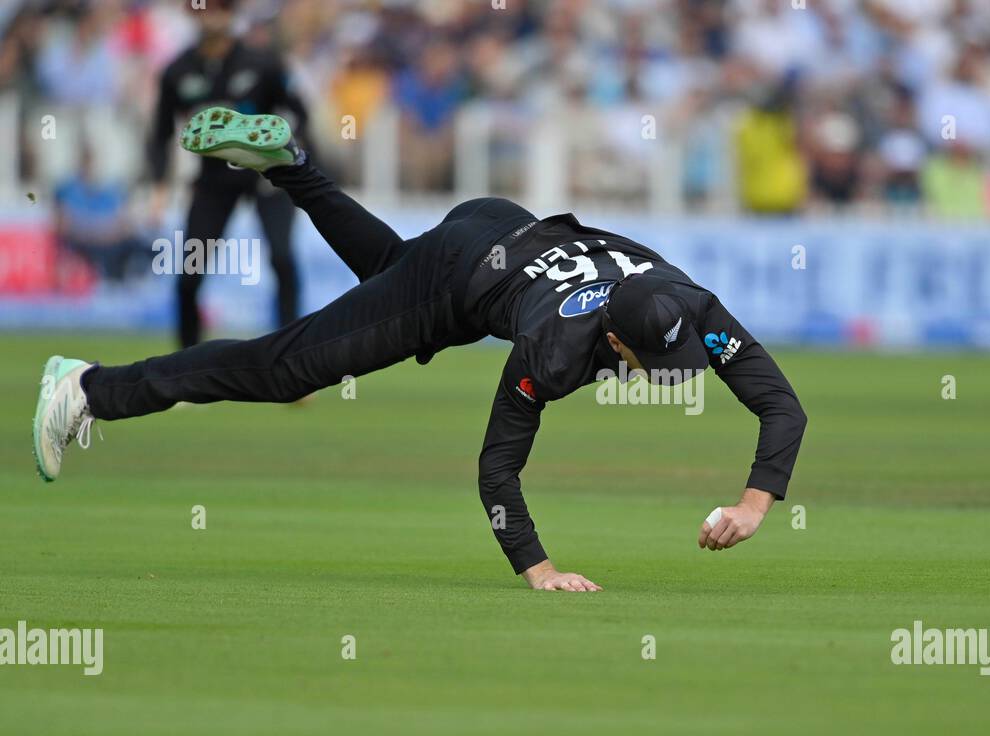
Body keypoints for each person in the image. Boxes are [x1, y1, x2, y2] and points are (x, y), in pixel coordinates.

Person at [34, 109, 808, 593]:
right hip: (455, 280)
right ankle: (89, 388)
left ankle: (289, 167)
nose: (671, 376)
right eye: (654, 365)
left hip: (497, 223)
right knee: (285, 368)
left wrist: (752, 504)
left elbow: (781, 404)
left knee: (386, 269)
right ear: (612, 339)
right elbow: (496, 468)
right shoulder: (556, 346)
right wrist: (539, 570)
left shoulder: (691, 305)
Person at [147, 0, 308, 347]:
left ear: (232, 13)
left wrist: (292, 159)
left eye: (221, 7)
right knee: (190, 273)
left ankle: (295, 361)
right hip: (214, 181)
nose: (212, 14)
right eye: (204, 7)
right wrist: (159, 185)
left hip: (267, 175)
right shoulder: (177, 71)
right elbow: (160, 134)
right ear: (191, 13)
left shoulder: (262, 62)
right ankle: (184, 367)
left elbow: (298, 113)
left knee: (282, 257)